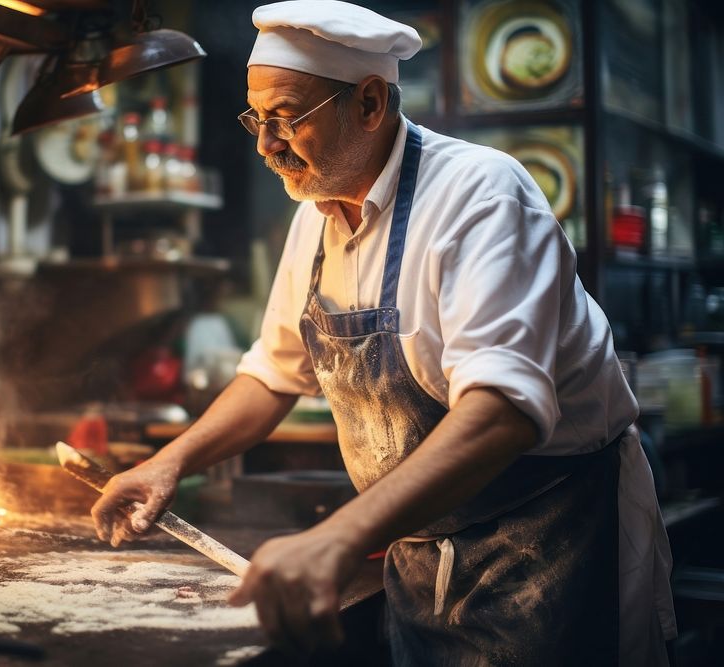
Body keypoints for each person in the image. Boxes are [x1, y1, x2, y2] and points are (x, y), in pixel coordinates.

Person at [91, 1, 676, 663]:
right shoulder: (314, 214)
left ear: (369, 103)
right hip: (420, 555)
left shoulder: (482, 197)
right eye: (257, 118)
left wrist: (339, 537)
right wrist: (169, 461)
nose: (265, 143)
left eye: (286, 118)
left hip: (551, 545)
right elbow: (272, 374)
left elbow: (503, 411)